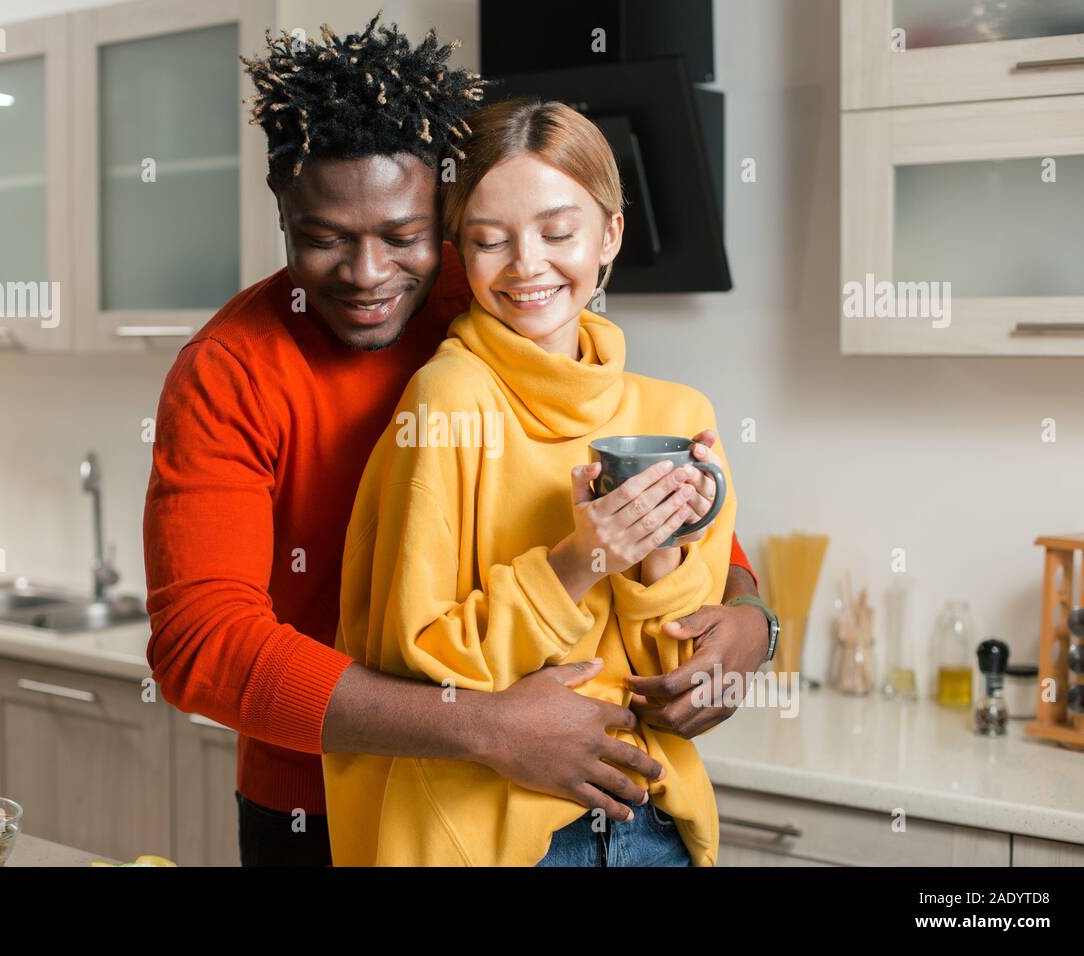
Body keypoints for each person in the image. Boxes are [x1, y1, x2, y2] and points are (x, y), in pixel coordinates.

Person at [143, 16, 770, 867]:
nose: (366, 275)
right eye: (322, 238)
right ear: (284, 217)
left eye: (403, 237)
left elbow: (671, 516)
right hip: (314, 806)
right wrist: (478, 727)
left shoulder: (491, 302)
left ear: (442, 220)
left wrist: (751, 620)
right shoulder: (232, 370)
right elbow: (201, 645)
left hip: (542, 805)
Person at [324, 98, 735, 867]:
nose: (526, 266)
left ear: (610, 233)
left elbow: (676, 684)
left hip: (652, 825)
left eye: (557, 231)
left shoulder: (678, 417)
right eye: (489, 241)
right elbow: (418, 666)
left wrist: (661, 553)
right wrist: (580, 559)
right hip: (493, 835)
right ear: (458, 252)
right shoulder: (448, 400)